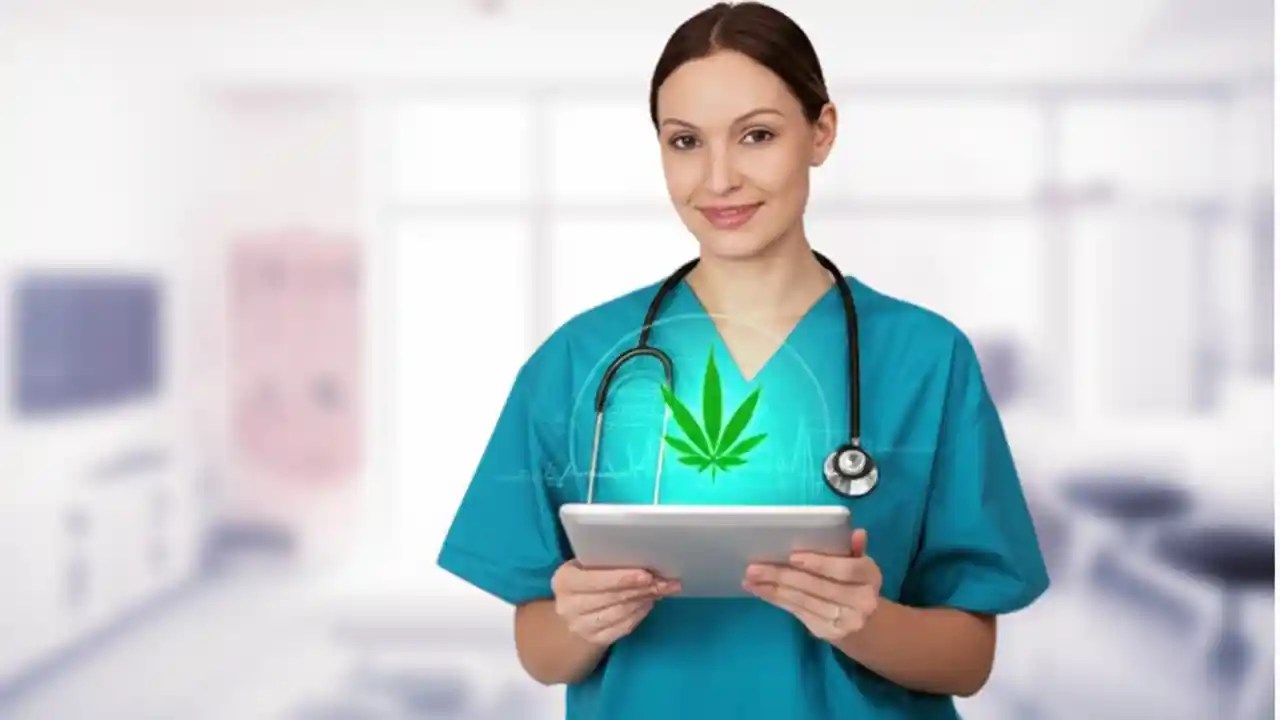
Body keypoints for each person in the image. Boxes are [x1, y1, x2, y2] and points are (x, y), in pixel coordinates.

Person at [436, 2, 1050, 717]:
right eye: (685, 141)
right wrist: (582, 619)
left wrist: (866, 622)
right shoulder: (579, 361)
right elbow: (540, 651)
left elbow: (970, 660)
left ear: (821, 132)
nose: (719, 178)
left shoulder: (925, 359)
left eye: (757, 135)